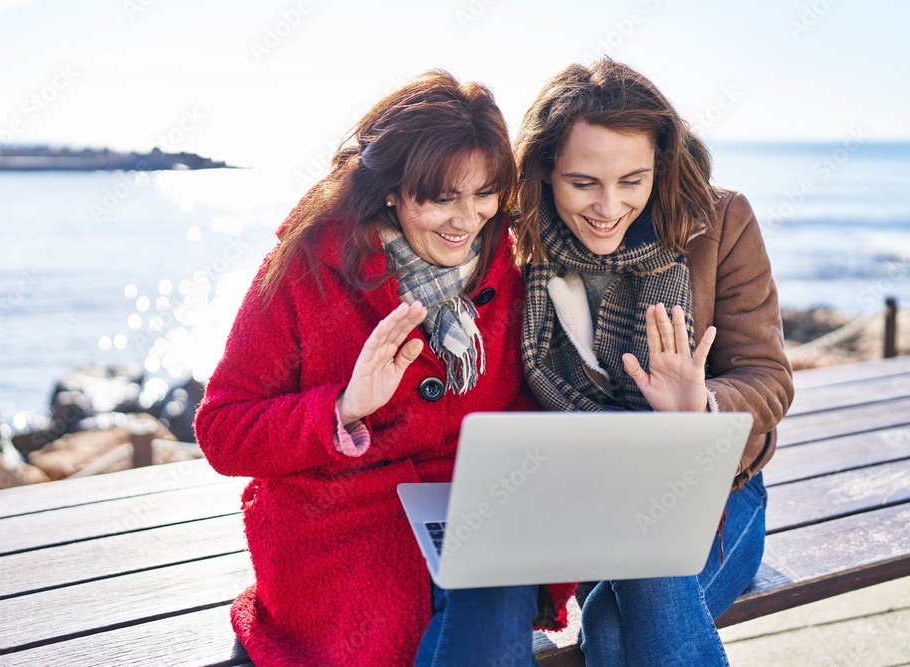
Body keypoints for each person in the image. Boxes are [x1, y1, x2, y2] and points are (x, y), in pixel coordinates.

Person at [194, 70, 574, 667]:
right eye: (441, 197)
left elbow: (519, 409)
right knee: (422, 626)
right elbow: (222, 430)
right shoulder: (306, 264)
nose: (466, 219)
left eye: (484, 193)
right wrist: (344, 408)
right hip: (340, 530)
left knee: (496, 590)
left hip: (469, 509)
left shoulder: (506, 263)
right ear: (393, 188)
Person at [513, 60, 794, 666]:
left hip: (716, 496)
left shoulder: (719, 223)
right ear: (543, 172)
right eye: (583, 183)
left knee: (614, 628)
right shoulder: (516, 240)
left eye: (633, 181)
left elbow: (769, 379)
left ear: (660, 167)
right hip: (584, 501)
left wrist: (701, 410)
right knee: (619, 611)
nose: (609, 207)